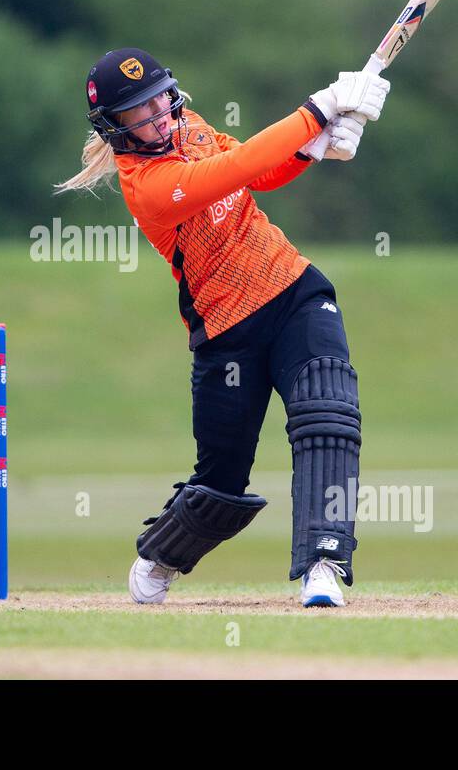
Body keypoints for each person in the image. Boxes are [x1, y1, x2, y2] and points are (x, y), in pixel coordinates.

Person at [57, 49, 389, 607]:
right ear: (117, 129)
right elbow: (226, 173)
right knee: (222, 480)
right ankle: (161, 554)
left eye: (161, 97)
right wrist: (320, 109)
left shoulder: (190, 125)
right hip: (227, 331)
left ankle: (324, 563)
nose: (159, 114)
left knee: (328, 413)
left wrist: (316, 145)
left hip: (292, 290)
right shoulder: (148, 186)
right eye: (139, 111)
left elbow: (258, 171)